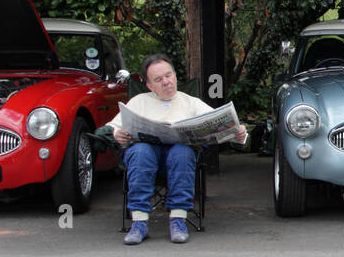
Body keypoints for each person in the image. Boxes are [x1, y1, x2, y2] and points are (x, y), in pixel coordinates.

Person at [103, 54, 248, 245]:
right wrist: (117, 133)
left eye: (168, 75)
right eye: (158, 79)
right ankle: (139, 224)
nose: (166, 82)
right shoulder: (139, 101)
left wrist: (238, 132)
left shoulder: (191, 102)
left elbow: (219, 124)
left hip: (180, 160)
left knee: (182, 152)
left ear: (175, 76)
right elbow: (112, 126)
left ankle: (178, 220)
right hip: (146, 159)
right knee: (141, 151)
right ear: (149, 86)